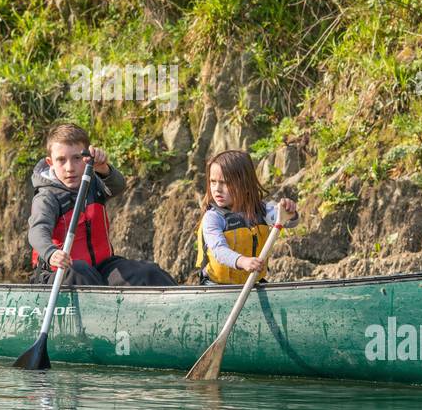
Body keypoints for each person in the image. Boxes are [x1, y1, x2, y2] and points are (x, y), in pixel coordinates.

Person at [28, 123, 176, 287]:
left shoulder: (92, 181)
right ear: (50, 162)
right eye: (61, 160)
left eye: (77, 158)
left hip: (101, 268)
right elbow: (37, 230)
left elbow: (117, 187)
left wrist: (103, 168)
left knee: (148, 272)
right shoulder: (47, 196)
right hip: (59, 272)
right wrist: (51, 253)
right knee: (81, 270)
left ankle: (182, 304)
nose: (70, 168)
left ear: (86, 158)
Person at [196, 150, 299, 285]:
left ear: (245, 184)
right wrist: (242, 261)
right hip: (216, 285)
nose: (217, 189)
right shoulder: (213, 218)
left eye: (225, 183)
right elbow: (219, 251)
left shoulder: (261, 210)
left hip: (253, 282)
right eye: (213, 182)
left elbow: (287, 221)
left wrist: (290, 212)